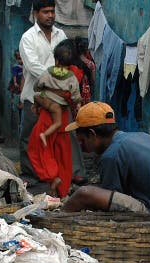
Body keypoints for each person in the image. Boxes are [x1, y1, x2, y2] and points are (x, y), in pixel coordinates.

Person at [62, 102, 150, 214]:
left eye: (82, 141)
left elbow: (108, 203)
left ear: (92, 134)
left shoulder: (111, 155)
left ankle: (58, 221)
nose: (82, 147)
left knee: (84, 194)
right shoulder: (140, 136)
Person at [18, 0, 68, 179]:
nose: (51, 15)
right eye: (46, 12)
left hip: (58, 98)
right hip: (35, 97)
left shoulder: (61, 34)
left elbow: (67, 59)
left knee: (56, 137)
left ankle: (52, 171)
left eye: (52, 11)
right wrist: (58, 79)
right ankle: (30, 173)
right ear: (36, 13)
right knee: (29, 137)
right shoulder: (28, 37)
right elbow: (33, 66)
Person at [27, 41, 81, 198]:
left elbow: (37, 87)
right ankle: (61, 192)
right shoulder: (74, 76)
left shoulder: (48, 73)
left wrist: (42, 98)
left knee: (38, 148)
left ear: (56, 60)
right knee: (62, 153)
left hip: (47, 115)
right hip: (64, 118)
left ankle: (52, 177)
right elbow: (75, 98)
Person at [75, 37, 96, 106]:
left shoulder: (71, 60)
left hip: (74, 90)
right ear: (87, 49)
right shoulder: (90, 64)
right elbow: (93, 80)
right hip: (85, 89)